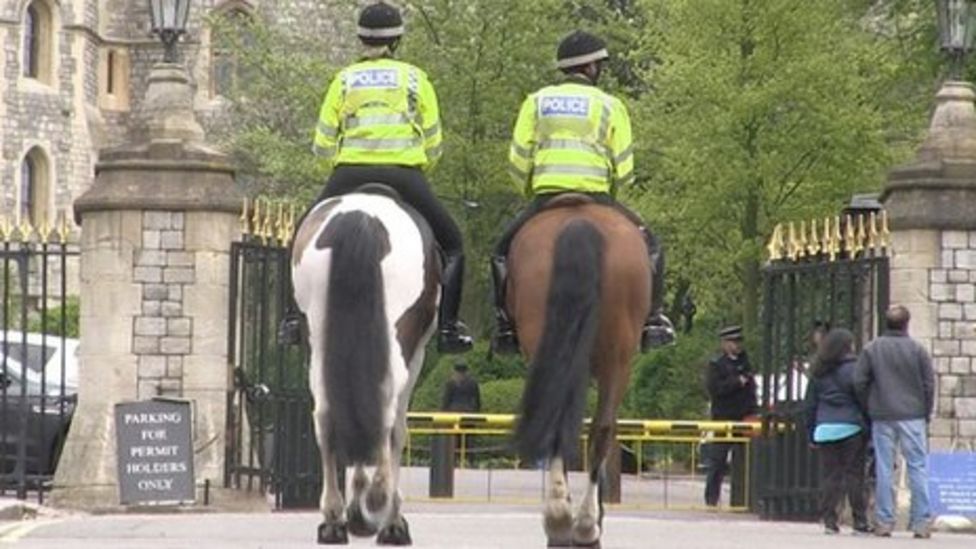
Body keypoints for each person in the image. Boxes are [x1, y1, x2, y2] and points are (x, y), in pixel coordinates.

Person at [278, 1, 472, 354]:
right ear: (396, 40)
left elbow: (322, 143)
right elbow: (434, 143)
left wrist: (339, 163)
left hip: (348, 174)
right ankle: (448, 329)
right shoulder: (415, 79)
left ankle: (292, 319)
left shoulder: (344, 80)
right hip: (404, 176)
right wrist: (418, 165)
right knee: (454, 244)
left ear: (361, 39)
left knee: (296, 240)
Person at [489, 30, 674, 355]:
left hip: (547, 197)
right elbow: (625, 168)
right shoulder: (609, 105)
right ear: (590, 67)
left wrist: (529, 189)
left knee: (501, 252)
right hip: (597, 196)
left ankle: (505, 326)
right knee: (653, 246)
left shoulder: (537, 102)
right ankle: (653, 321)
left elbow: (517, 160)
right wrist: (611, 193)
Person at [854, 305, 935, 538]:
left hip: (882, 414)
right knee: (917, 466)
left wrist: (868, 406)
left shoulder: (872, 349)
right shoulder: (917, 350)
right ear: (906, 323)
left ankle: (885, 520)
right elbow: (929, 384)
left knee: (884, 468)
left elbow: (859, 382)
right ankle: (921, 521)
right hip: (913, 414)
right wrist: (925, 411)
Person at [804, 328, 871, 536]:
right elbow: (862, 397)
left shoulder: (818, 371)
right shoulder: (854, 368)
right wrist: (867, 422)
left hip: (824, 428)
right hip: (851, 426)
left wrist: (810, 432)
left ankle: (830, 521)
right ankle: (859, 521)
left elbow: (809, 405)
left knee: (830, 476)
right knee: (854, 475)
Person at [703, 326, 757, 508]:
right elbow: (715, 389)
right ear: (725, 344)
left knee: (743, 460)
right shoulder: (716, 364)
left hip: (743, 417)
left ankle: (742, 499)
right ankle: (711, 499)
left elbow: (751, 389)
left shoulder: (745, 362)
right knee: (718, 460)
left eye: (738, 342)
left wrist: (753, 410)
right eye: (733, 342)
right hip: (723, 418)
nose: (737, 345)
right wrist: (736, 382)